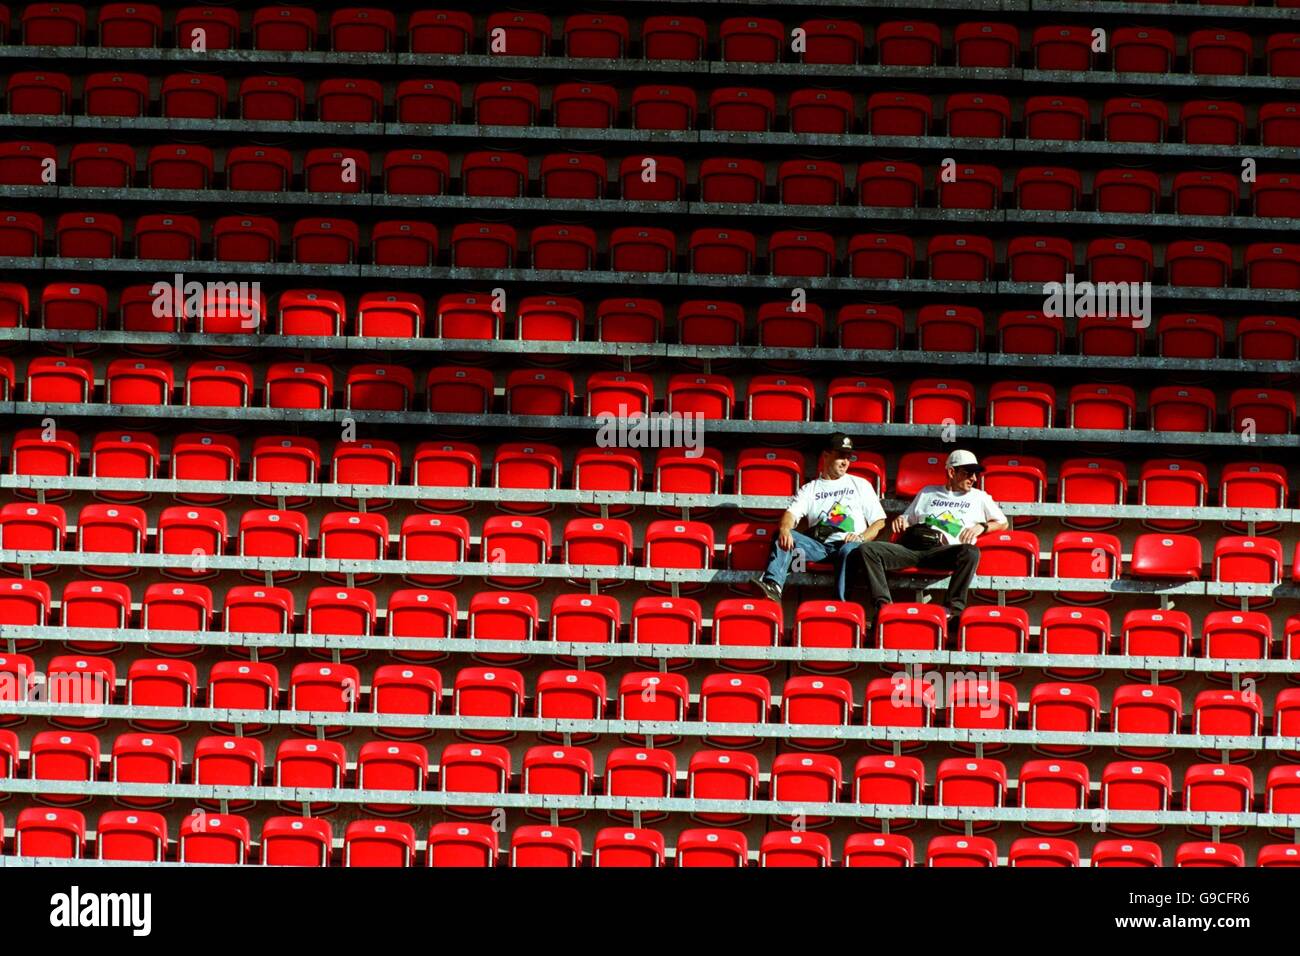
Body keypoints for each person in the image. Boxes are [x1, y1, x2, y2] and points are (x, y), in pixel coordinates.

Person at [855, 449, 1008, 628]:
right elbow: (907, 517)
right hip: (913, 548)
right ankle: (883, 607)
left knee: (971, 552)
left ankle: (953, 609)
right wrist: (901, 520)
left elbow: (1003, 522)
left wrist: (982, 526)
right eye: (968, 473)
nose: (974, 478)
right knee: (868, 549)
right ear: (951, 472)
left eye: (975, 473)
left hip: (943, 551)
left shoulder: (979, 497)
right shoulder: (928, 492)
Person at [751, 432, 886, 603]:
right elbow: (791, 514)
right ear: (826, 455)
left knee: (848, 549)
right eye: (840, 456)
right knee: (782, 534)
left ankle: (841, 604)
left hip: (850, 546)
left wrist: (861, 538)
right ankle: (773, 586)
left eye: (848, 457)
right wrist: (785, 529)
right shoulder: (810, 489)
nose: (845, 462)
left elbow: (879, 522)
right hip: (819, 548)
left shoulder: (860, 484)